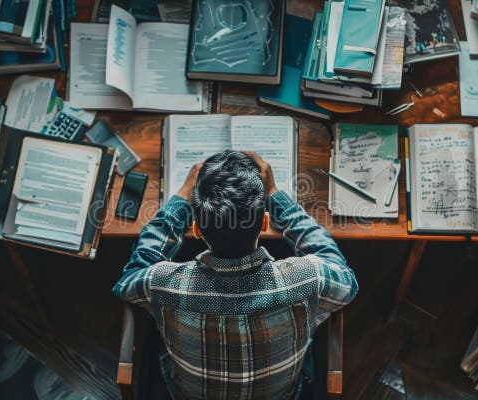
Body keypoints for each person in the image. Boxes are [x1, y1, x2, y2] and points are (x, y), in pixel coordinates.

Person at [113, 150, 358, 400]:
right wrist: (275, 195)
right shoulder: (307, 279)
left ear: (196, 229)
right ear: (264, 223)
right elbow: (345, 279)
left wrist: (180, 198)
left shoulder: (165, 285)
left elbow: (130, 278)